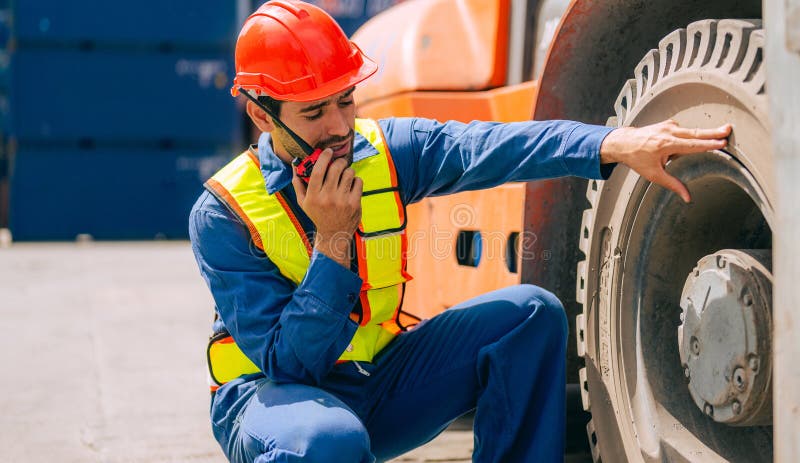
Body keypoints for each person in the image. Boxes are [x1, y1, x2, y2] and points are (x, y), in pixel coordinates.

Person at [189, 1, 731, 462]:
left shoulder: (381, 151)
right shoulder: (223, 214)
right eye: (313, 112)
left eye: (346, 101)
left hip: (374, 383)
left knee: (529, 316)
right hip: (276, 400)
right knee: (329, 441)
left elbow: (488, 147)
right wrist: (333, 243)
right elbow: (292, 363)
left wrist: (610, 145)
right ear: (263, 116)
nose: (338, 127)